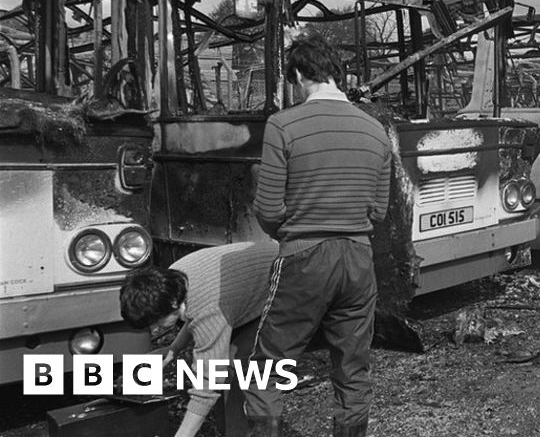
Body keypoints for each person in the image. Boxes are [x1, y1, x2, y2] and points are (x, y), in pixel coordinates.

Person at [245, 35, 392, 437]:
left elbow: (269, 209)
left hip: (304, 257)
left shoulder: (283, 124)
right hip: (359, 260)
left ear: (297, 75)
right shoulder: (376, 130)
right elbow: (379, 211)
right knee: (352, 364)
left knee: (269, 364)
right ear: (338, 75)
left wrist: (291, 237)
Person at [120, 240, 278, 437]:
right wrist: (174, 349)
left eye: (156, 321)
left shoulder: (208, 307)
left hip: (289, 282)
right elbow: (194, 314)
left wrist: (183, 434)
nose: (154, 330)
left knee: (240, 365)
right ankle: (231, 429)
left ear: (171, 302)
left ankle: (244, 432)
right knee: (227, 361)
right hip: (255, 279)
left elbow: (207, 383)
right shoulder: (172, 278)